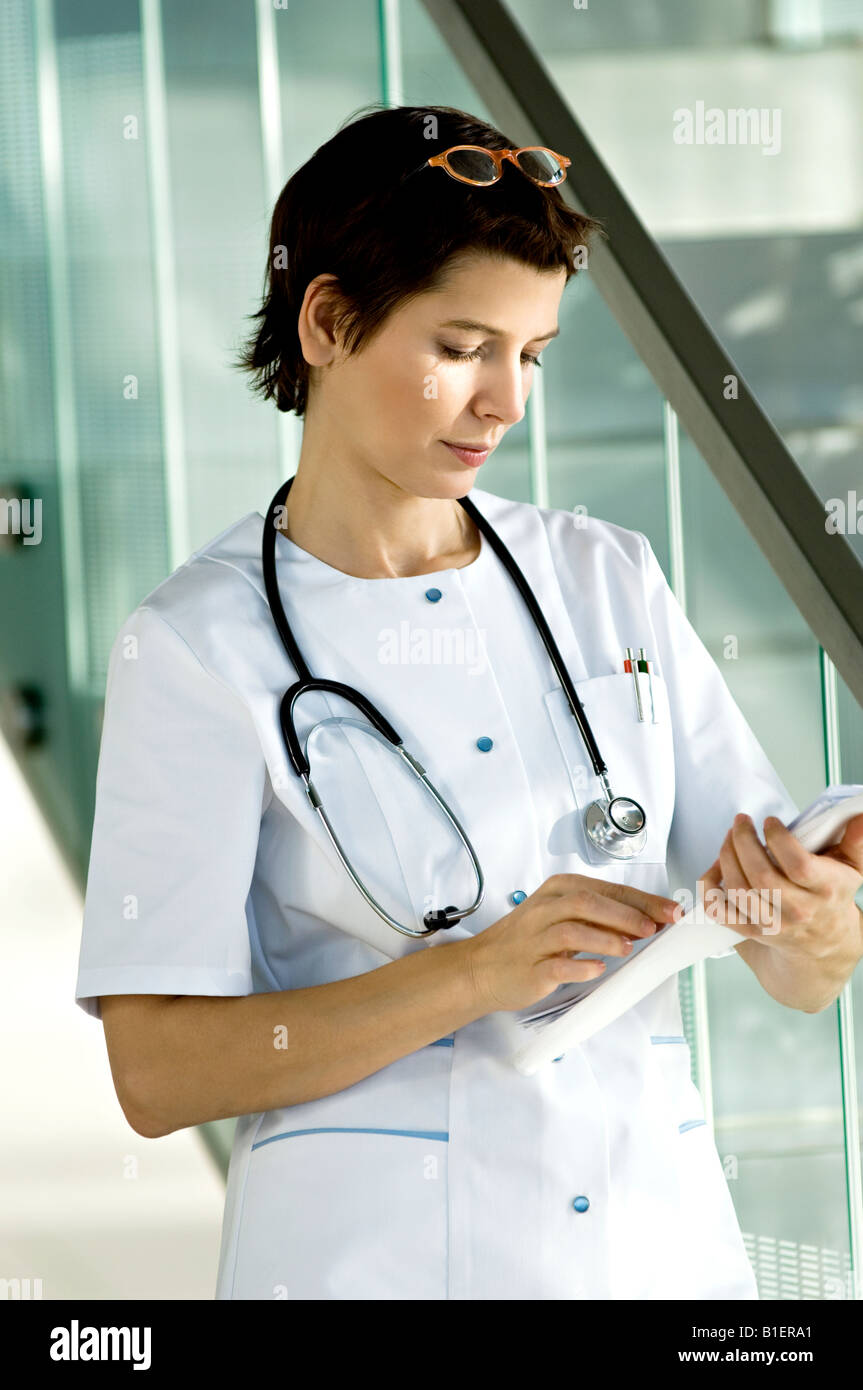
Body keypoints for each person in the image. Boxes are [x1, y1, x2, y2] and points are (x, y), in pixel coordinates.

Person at [75, 104, 863, 1301]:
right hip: (371, 1264)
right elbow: (155, 1072)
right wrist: (471, 974)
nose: (505, 401)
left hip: (653, 1257)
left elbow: (797, 973)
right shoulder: (195, 647)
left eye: (532, 353)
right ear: (328, 320)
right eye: (461, 346)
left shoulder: (608, 578)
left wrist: (813, 922)